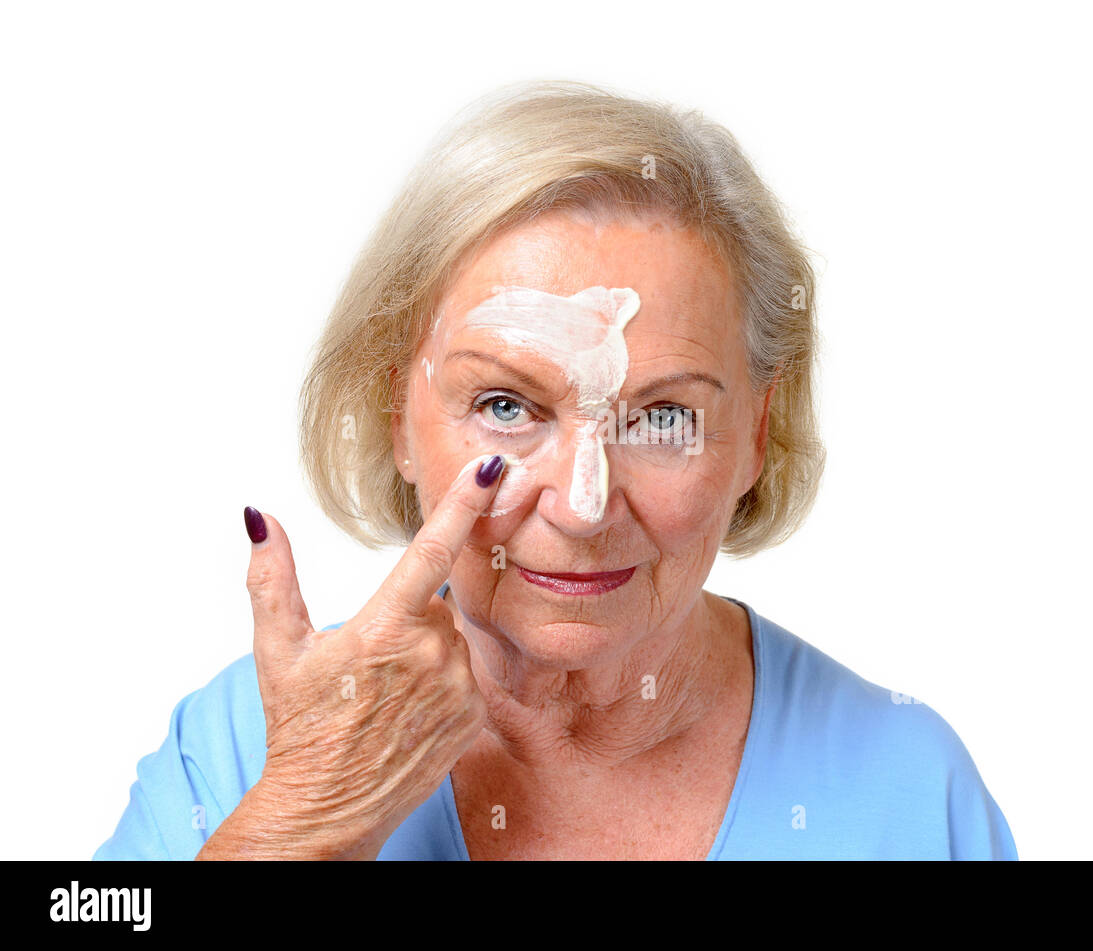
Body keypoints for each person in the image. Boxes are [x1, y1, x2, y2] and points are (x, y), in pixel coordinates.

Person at [94, 80, 1017, 860]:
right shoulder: (247, 740)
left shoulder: (912, 787)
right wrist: (298, 821)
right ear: (397, 419)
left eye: (662, 417)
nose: (582, 507)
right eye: (506, 406)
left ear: (756, 435)